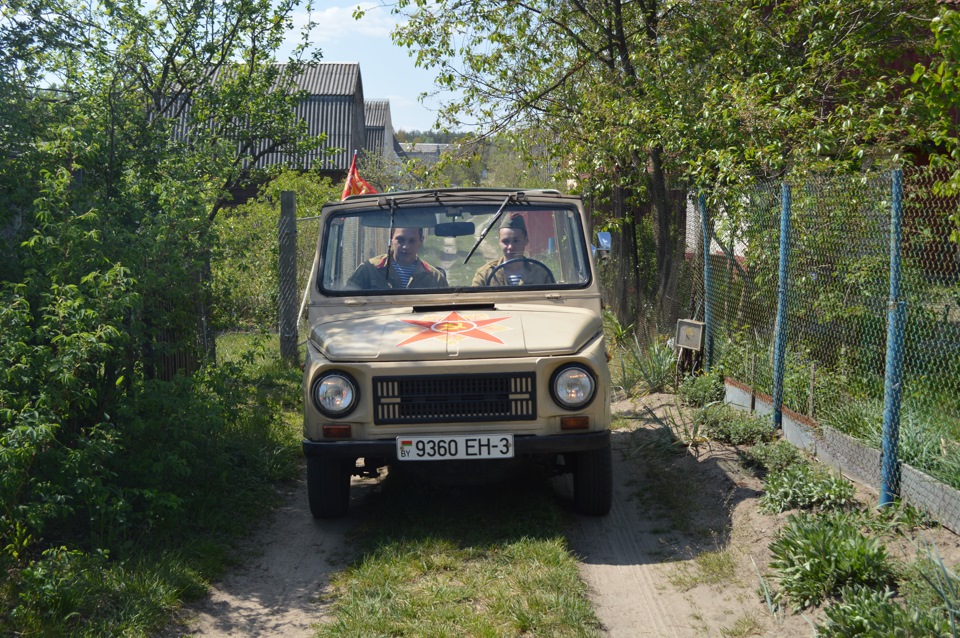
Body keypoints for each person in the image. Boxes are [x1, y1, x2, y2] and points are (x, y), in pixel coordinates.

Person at [346, 227, 447, 290]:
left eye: (412, 241)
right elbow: (344, 302)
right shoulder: (369, 269)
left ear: (421, 241)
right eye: (400, 240)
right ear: (391, 239)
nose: (405, 247)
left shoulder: (435, 277)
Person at [472, 213, 554, 286]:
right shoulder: (485, 275)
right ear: (499, 242)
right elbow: (474, 301)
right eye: (505, 241)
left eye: (516, 241)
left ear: (526, 241)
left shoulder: (541, 274)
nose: (510, 247)